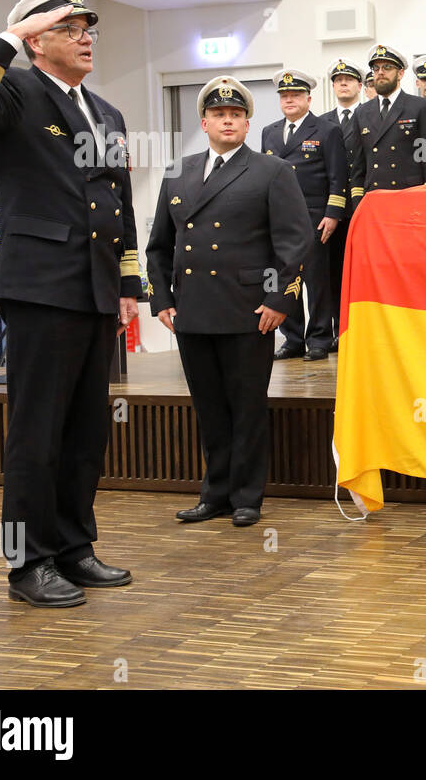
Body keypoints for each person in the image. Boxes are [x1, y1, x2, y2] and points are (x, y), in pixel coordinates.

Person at [0, 0, 140, 606]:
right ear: (36, 40)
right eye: (69, 29)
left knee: (85, 432)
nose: (85, 39)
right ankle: (29, 564)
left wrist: (129, 282)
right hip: (40, 287)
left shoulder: (106, 113)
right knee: (36, 432)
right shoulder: (16, 91)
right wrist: (11, 36)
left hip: (96, 288)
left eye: (89, 30)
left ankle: (75, 547)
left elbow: (117, 202)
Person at [147, 77, 312, 528]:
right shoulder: (177, 172)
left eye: (236, 115)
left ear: (246, 122)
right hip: (193, 311)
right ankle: (214, 493)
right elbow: (159, 244)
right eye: (219, 115)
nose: (228, 121)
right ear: (204, 122)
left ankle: (246, 496)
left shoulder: (271, 171)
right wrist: (160, 297)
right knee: (209, 407)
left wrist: (279, 300)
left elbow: (294, 244)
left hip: (248, 310)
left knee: (247, 406)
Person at [260, 69, 347, 361]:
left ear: (308, 98)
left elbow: (338, 176)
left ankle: (320, 338)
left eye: (295, 95)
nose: (289, 100)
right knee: (286, 279)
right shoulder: (269, 132)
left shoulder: (326, 130)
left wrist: (333, 213)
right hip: (279, 220)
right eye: (284, 96)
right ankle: (293, 339)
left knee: (317, 281)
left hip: (314, 217)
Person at [351, 43, 426, 197]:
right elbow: (358, 165)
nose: (380, 72)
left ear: (400, 74)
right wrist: (358, 200)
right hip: (374, 196)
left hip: (408, 194)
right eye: (376, 68)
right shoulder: (362, 112)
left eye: (387, 67)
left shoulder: (419, 107)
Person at [319, 58, 362, 352]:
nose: (343, 84)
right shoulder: (320, 123)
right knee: (332, 274)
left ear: (360, 85)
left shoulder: (371, 116)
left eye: (348, 79)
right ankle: (337, 331)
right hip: (331, 211)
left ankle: (360, 329)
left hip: (360, 207)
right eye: (338, 80)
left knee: (362, 273)